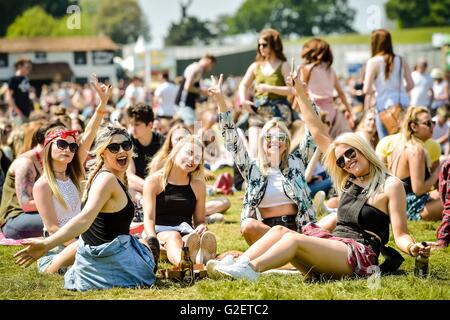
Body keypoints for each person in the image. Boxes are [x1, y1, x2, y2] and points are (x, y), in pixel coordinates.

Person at [207, 72, 434, 281]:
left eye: (350, 153)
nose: (346, 161)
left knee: (292, 239)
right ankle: (241, 264)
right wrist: (222, 102)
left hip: (358, 253)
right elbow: (236, 143)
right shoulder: (347, 180)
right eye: (341, 160)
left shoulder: (390, 184)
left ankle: (248, 269)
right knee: (280, 232)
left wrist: (413, 247)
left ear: (363, 149)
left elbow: (401, 234)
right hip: (327, 242)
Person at [15, 125, 156, 291]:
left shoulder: (104, 177)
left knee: (145, 247)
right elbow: (84, 219)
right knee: (146, 256)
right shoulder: (106, 180)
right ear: (102, 152)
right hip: (93, 251)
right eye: (113, 147)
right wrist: (46, 244)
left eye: (126, 145)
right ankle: (51, 266)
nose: (121, 150)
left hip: (99, 247)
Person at [209, 74, 317, 245]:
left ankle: (285, 259)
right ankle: (287, 260)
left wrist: (303, 95)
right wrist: (220, 101)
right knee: (248, 225)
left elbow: (313, 132)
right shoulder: (252, 169)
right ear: (261, 141)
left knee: (332, 219)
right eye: (268, 137)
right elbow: (231, 139)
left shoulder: (296, 163)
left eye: (280, 137)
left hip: (298, 230)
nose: (274, 141)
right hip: (266, 234)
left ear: (286, 142)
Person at [32, 75, 110, 274]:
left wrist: (102, 103)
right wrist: (83, 242)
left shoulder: (75, 172)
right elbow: (52, 230)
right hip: (58, 251)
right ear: (48, 148)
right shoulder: (43, 185)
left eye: (73, 146)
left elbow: (90, 132)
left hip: (82, 240)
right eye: (62, 144)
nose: (68, 149)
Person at [142, 135, 217, 265]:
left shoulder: (198, 185)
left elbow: (199, 220)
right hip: (160, 231)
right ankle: (184, 265)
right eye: (190, 153)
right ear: (176, 151)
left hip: (186, 232)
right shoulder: (154, 181)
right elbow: (148, 219)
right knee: (174, 236)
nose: (192, 160)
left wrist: (202, 226)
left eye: (197, 158)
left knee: (195, 239)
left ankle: (197, 256)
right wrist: (152, 239)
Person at [148, 123, 231, 224]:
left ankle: (198, 218)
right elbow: (150, 187)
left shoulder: (192, 161)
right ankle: (203, 218)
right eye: (178, 139)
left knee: (225, 202)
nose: (182, 141)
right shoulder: (160, 161)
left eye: (185, 138)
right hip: (164, 207)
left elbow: (205, 175)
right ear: (170, 141)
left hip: (186, 203)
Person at [0, 120, 64, 239]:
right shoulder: (25, 163)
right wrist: (61, 203)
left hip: (33, 215)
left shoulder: (47, 160)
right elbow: (26, 204)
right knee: (66, 218)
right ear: (48, 141)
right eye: (62, 143)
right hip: (14, 220)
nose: (67, 148)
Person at [238, 28, 293, 158]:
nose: (260, 47)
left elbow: (292, 90)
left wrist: (269, 88)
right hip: (258, 111)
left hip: (279, 112)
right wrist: (243, 100)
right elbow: (243, 84)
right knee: (254, 152)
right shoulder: (255, 66)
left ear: (274, 45)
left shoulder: (284, 65)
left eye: (264, 44)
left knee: (275, 155)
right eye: (259, 45)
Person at [389, 106, 443, 221]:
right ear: (414, 126)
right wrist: (439, 169)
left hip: (398, 205)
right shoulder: (415, 150)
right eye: (427, 123)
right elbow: (418, 189)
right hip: (409, 208)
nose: (432, 126)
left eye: (432, 122)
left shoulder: (402, 146)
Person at [363, 29, 414, 139]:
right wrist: (398, 90)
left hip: (384, 107)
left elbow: (366, 89)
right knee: (404, 140)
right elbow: (411, 85)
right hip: (403, 105)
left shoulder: (373, 61)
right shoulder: (401, 59)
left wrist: (377, 89)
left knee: (386, 144)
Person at [300, 38, 354, 137]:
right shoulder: (330, 70)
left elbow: (301, 91)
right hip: (331, 112)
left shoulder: (307, 69)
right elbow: (340, 93)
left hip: (315, 111)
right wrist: (349, 110)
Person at [126, 103, 165, 202]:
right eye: (131, 124)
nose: (132, 129)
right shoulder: (128, 142)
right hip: (138, 190)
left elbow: (164, 174)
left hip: (160, 188)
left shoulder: (163, 143)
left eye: (137, 125)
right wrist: (150, 189)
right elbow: (129, 176)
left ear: (150, 125)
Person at [175, 55, 216, 129]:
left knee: (194, 128)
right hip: (184, 104)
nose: (210, 69)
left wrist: (205, 92)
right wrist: (203, 92)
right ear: (209, 61)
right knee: (195, 129)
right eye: (212, 66)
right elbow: (187, 87)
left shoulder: (197, 69)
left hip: (187, 104)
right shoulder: (196, 68)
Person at [6, 58, 33, 124]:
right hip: (17, 115)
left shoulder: (25, 79)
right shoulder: (13, 79)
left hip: (27, 113)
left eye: (29, 67)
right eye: (27, 67)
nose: (29, 69)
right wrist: (19, 113)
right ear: (20, 66)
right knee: (18, 133)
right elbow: (8, 98)